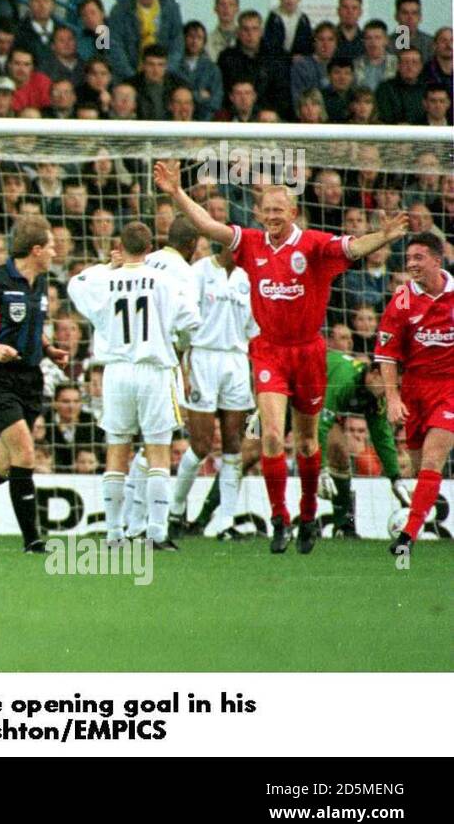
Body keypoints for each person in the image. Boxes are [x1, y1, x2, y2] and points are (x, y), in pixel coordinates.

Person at [155, 160, 408, 554]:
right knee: (271, 434)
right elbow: (208, 226)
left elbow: (353, 246)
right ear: (259, 214)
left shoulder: (313, 245)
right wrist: (176, 193)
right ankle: (279, 519)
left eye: (279, 211)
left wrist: (384, 235)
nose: (272, 217)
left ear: (292, 212)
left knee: (306, 443)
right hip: (269, 350)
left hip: (309, 353)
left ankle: (308, 513)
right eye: (266, 211)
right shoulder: (251, 243)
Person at [68, 221, 201, 550]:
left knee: (117, 450)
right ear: (150, 248)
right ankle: (156, 532)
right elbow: (192, 322)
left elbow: (75, 285)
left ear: (120, 246)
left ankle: (115, 532)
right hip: (154, 370)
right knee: (158, 450)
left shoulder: (104, 279)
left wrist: (106, 266)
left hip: (116, 371)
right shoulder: (165, 280)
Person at [0, 216, 68, 552]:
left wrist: (49, 349)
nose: (55, 251)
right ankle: (33, 540)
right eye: (51, 245)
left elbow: (34, 325)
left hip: (30, 379)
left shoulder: (39, 283)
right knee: (26, 451)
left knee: (6, 464)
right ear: (36, 249)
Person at [171, 241, 259, 539]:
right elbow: (182, 320)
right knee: (201, 444)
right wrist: (183, 361)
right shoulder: (198, 273)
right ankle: (175, 509)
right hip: (203, 357)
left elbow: (254, 329)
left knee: (235, 443)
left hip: (236, 361)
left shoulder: (249, 278)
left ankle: (225, 522)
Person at [376, 232, 454, 557]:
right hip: (414, 389)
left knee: (434, 458)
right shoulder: (402, 301)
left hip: (449, 387)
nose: (411, 264)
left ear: (438, 260)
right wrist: (393, 399)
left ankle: (407, 536)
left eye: (419, 258)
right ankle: (424, 507)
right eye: (409, 259)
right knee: (421, 464)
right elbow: (387, 355)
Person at [316, 350, 408, 537]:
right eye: (388, 385)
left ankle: (344, 526)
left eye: (396, 387)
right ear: (374, 374)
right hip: (289, 387)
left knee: (339, 452)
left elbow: (382, 437)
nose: (391, 392)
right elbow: (320, 427)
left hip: (316, 403)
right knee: (257, 446)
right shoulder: (344, 380)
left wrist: (395, 478)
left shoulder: (378, 397)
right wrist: (321, 469)